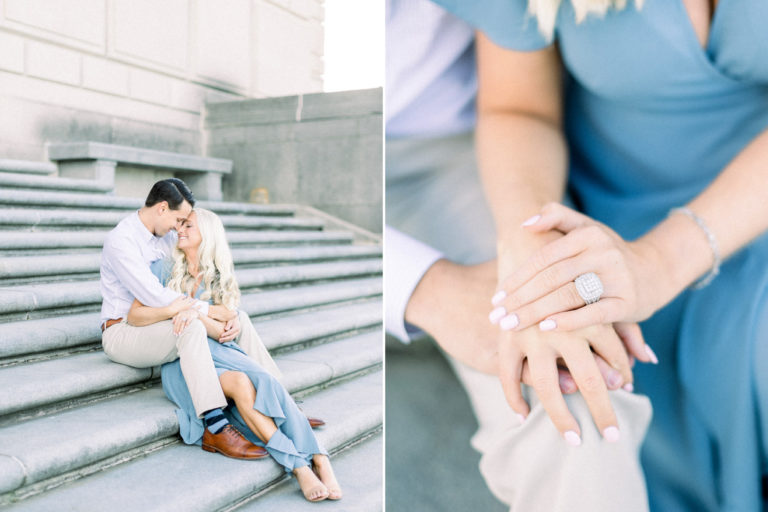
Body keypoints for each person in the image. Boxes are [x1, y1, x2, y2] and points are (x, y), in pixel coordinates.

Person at [432, 0, 768, 509]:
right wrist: (536, 248)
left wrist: (663, 261)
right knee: (583, 401)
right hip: (610, 228)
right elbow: (518, 108)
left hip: (731, 219)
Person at [385, 1, 654, 510]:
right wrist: (424, 286)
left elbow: (518, 103)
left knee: (570, 380)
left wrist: (532, 243)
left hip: (463, 145)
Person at [127, 208, 342, 503]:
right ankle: (303, 463)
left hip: (222, 353)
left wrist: (209, 316)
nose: (180, 229)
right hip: (184, 364)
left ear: (208, 235)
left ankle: (316, 461)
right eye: (180, 224)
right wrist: (178, 310)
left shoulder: (219, 277)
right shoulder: (162, 269)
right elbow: (135, 316)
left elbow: (225, 324)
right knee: (250, 381)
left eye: (188, 225)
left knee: (254, 381)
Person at [100, 178, 266, 460]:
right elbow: (154, 295)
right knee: (190, 326)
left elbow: (188, 277)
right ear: (162, 208)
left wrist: (232, 314)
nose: (179, 228)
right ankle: (214, 425)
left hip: (159, 323)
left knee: (242, 319)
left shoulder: (164, 236)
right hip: (124, 331)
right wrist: (208, 312)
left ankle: (275, 405)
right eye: (178, 219)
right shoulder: (122, 241)